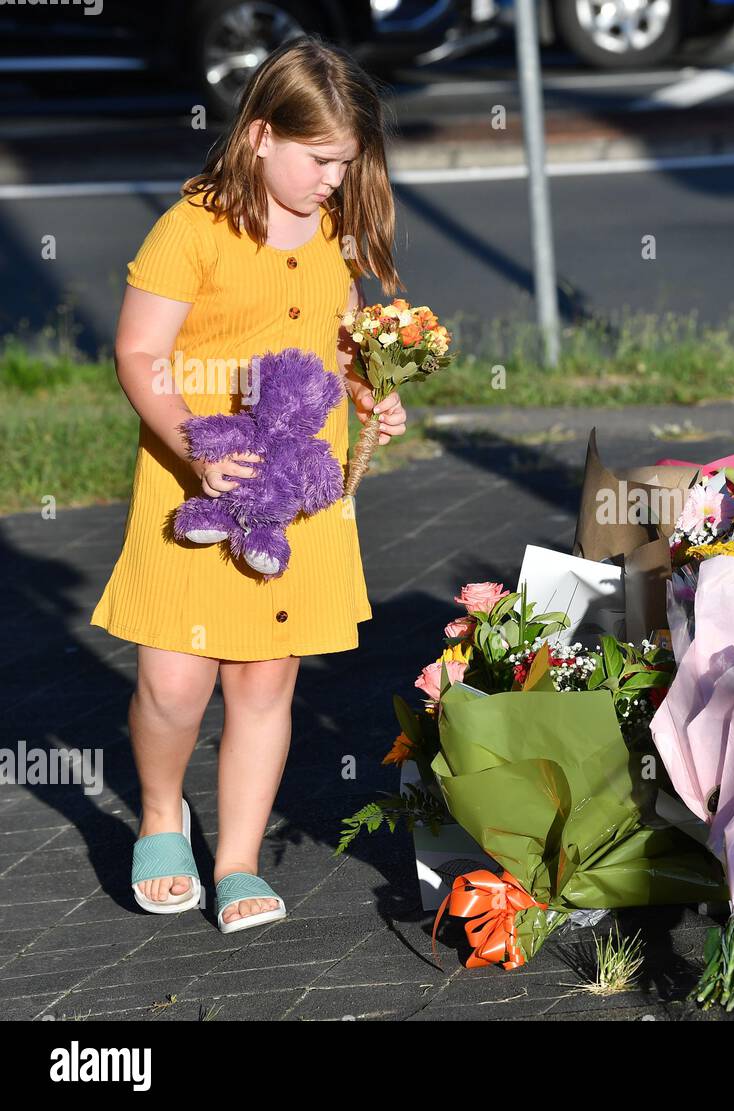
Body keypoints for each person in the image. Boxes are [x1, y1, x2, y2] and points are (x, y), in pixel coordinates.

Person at [90, 36, 409, 933]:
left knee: (264, 687)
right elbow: (139, 352)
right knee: (175, 686)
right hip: (197, 481)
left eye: (346, 166)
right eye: (319, 161)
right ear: (262, 135)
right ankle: (161, 813)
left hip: (294, 497)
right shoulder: (194, 224)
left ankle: (235, 857)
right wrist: (192, 443)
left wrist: (371, 398)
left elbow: (340, 349)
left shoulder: (335, 231)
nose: (333, 183)